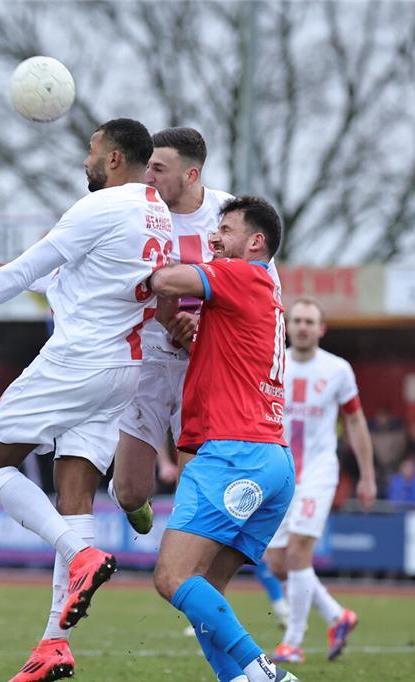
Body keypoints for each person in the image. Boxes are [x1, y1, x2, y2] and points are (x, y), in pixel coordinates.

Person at [0, 119, 170, 682]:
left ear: (114, 158)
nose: (85, 161)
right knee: (75, 494)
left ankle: (79, 553)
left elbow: (33, 267)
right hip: (122, 370)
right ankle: (54, 644)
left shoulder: (98, 206)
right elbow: (74, 283)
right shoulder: (157, 215)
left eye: (92, 151)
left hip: (76, 362)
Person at [105, 126, 289, 627]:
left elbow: (259, 298)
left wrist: (199, 324)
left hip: (204, 365)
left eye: (158, 168)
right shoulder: (136, 209)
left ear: (191, 174)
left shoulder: (229, 217)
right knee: (130, 491)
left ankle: (196, 589)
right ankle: (161, 540)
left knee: (198, 486)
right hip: (151, 359)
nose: (147, 176)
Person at [148, 196, 299, 682]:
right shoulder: (260, 292)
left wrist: (161, 247)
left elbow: (164, 280)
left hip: (234, 453)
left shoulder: (242, 273)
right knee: (204, 589)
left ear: (256, 242)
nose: (216, 237)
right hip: (271, 459)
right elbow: (229, 356)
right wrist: (190, 336)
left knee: (172, 577)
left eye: (226, 230)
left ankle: (266, 673)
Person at [264, 298, 377, 665]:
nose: (302, 327)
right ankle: (336, 615)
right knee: (277, 563)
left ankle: (293, 642)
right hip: (280, 474)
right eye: (297, 320)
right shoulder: (272, 362)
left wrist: (367, 476)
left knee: (299, 551)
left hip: (318, 472)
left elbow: (356, 421)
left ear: (321, 329)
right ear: (287, 325)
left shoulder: (338, 370)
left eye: (309, 322)